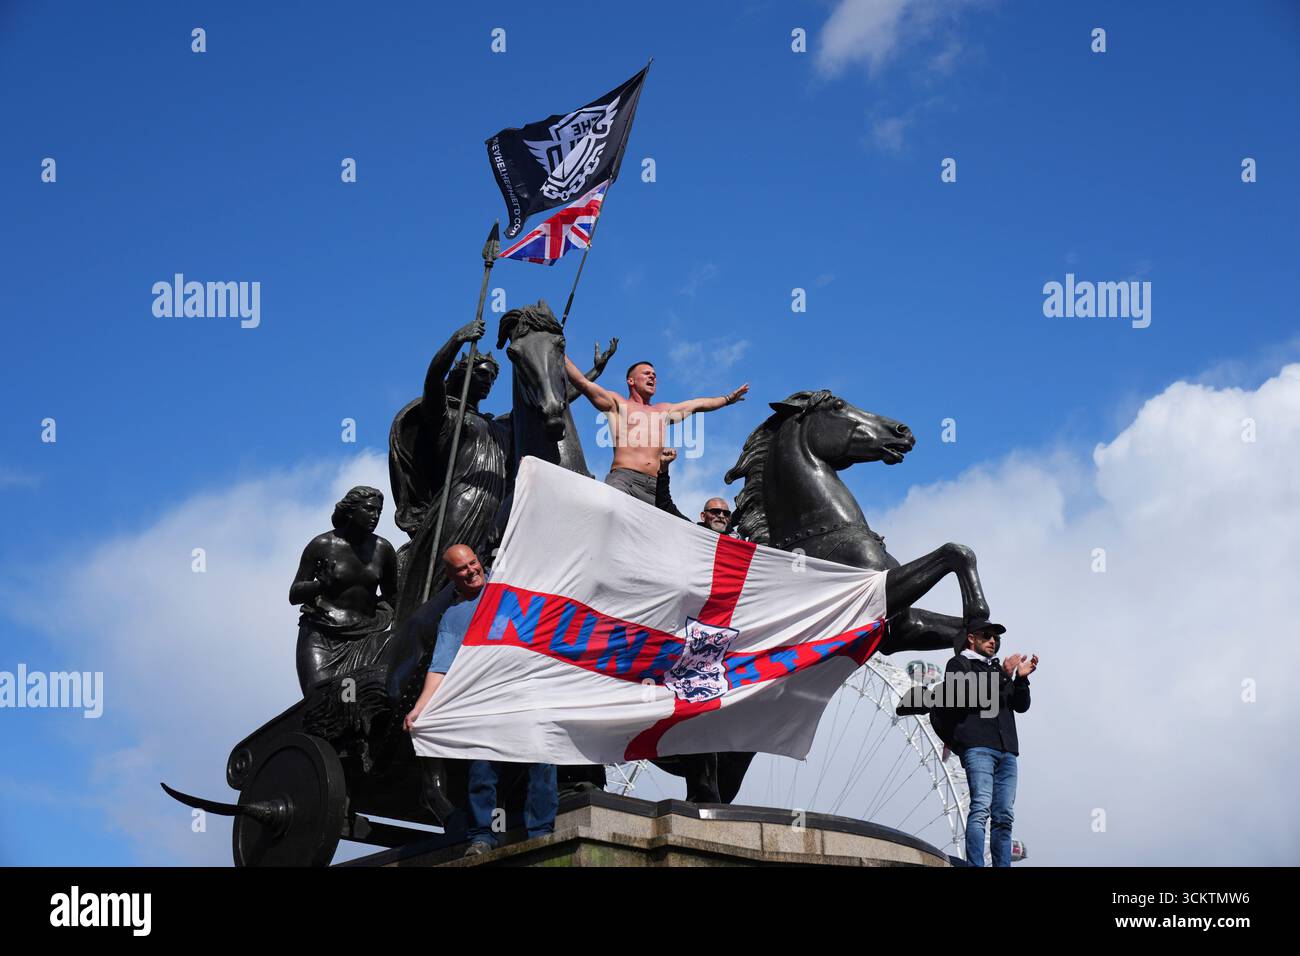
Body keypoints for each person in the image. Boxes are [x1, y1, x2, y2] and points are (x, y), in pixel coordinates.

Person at [404, 544, 558, 854]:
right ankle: (482, 837)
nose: (471, 570)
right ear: (451, 576)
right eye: (462, 568)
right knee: (482, 772)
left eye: (473, 563)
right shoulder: (453, 616)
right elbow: (441, 665)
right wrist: (420, 707)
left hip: (526, 695)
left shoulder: (511, 593)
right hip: (485, 703)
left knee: (542, 763)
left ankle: (541, 833)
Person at [388, 318, 509, 623]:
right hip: (458, 504)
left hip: (493, 507)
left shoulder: (496, 425)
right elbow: (431, 381)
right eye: (482, 374)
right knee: (445, 578)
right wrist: (457, 339)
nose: (488, 382)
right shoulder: (446, 415)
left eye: (492, 379)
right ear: (462, 374)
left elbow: (537, 414)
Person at [565, 356, 749, 506]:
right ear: (631, 381)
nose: (652, 377)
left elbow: (697, 404)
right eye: (646, 374)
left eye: (654, 375)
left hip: (654, 486)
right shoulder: (617, 404)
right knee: (609, 513)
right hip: (625, 479)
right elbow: (582, 382)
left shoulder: (663, 411)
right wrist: (557, 344)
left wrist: (727, 398)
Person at [942, 618, 1036, 867]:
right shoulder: (959, 664)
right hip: (978, 747)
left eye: (996, 638)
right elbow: (962, 697)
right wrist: (1004, 675)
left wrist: (1021, 680)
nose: (993, 641)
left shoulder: (997, 670)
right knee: (981, 808)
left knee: (1004, 816)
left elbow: (1020, 706)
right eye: (986, 635)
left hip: (1007, 751)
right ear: (971, 638)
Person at [290, 486, 398, 695]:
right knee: (320, 700)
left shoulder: (383, 550)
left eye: (379, 512)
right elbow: (294, 594)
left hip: (365, 636)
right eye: (369, 509)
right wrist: (320, 585)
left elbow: (393, 596)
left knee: (365, 697)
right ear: (350, 511)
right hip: (322, 635)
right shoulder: (321, 544)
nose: (375, 516)